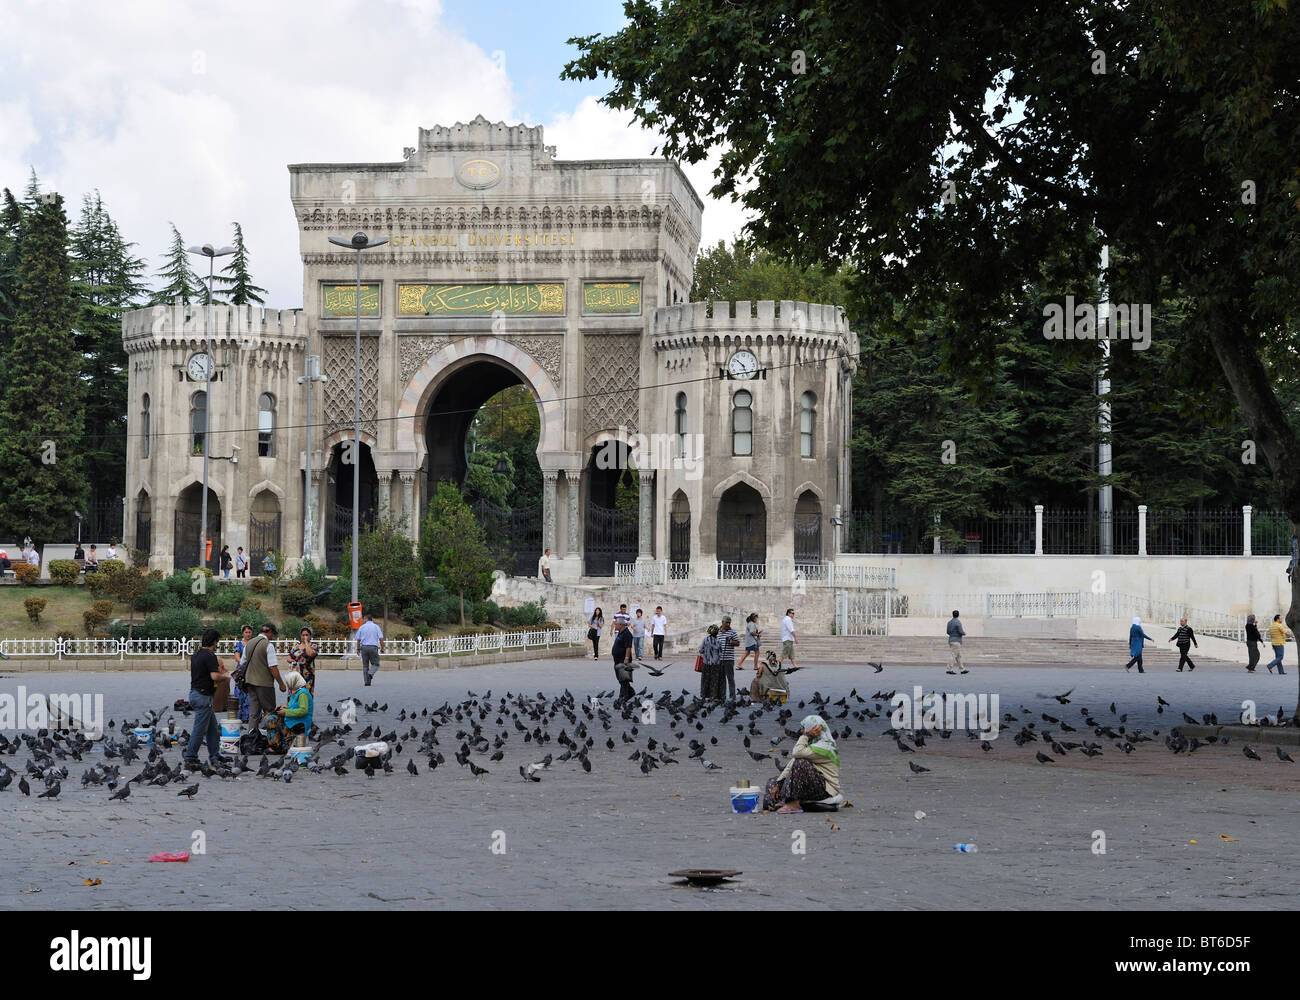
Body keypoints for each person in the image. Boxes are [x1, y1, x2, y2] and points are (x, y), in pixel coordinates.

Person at [763, 714, 841, 814]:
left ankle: (793, 804)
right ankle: (777, 803)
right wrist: (778, 784)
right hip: (809, 786)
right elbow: (792, 763)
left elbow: (797, 753)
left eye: (804, 728)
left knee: (801, 763)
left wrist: (807, 735)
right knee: (772, 782)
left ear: (814, 729)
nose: (801, 731)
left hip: (825, 790)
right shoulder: (811, 744)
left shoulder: (825, 747)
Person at [184, 627, 230, 768]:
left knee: (212, 729)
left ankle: (215, 755)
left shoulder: (196, 654)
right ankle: (190, 757)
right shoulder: (210, 656)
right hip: (203, 696)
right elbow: (214, 676)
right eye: (217, 642)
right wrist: (225, 677)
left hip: (196, 693)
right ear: (215, 641)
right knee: (199, 730)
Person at [243, 622, 284, 729]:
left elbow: (242, 662)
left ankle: (252, 738)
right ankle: (271, 738)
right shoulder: (268, 645)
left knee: (254, 713)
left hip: (250, 682)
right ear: (269, 632)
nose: (272, 637)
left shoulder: (249, 643)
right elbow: (272, 667)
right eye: (272, 634)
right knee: (269, 711)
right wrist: (281, 684)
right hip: (264, 684)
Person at [276, 669, 314, 741]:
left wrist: (286, 712)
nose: (287, 684)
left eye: (288, 682)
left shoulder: (303, 693)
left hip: (301, 722)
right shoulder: (295, 692)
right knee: (272, 718)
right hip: (296, 719)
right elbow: (293, 707)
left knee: (274, 721)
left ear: (294, 682)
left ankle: (278, 745)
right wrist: (284, 708)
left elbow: (303, 710)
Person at [611, 619, 636, 703]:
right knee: (620, 679)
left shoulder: (627, 634)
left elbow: (628, 647)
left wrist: (626, 658)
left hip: (623, 660)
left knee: (623, 679)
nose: (615, 626)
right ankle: (631, 692)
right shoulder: (620, 633)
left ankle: (623, 697)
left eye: (616, 624)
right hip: (617, 660)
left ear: (621, 625)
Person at [232, 624, 253, 722]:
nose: (248, 634)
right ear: (242, 633)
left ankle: (248, 716)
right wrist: (243, 664)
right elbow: (237, 657)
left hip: (252, 670)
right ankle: (239, 716)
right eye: (246, 632)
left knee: (250, 693)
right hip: (241, 671)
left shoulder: (253, 643)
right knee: (240, 692)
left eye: (249, 632)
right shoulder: (239, 644)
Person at [356, 612, 384, 686]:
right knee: (376, 664)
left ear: (366, 619)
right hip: (373, 647)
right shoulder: (376, 627)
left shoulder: (362, 627)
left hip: (364, 648)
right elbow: (381, 638)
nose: (363, 620)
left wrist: (358, 649)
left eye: (364, 619)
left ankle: (367, 682)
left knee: (365, 666)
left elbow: (358, 640)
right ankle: (370, 673)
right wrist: (382, 648)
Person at [698, 624, 725, 701]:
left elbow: (701, 650)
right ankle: (713, 696)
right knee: (714, 680)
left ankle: (703, 695)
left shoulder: (705, 640)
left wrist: (707, 653)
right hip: (716, 664)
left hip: (706, 663)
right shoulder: (719, 641)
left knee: (705, 680)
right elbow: (720, 653)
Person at [717, 615, 740, 701]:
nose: (728, 624)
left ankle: (732, 696)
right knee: (721, 679)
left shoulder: (732, 632)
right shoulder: (717, 632)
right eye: (727, 622)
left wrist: (730, 641)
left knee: (730, 678)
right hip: (719, 659)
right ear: (722, 622)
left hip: (729, 659)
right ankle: (722, 696)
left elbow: (738, 643)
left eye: (729, 622)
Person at [289, 626, 318, 693]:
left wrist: (306, 642)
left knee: (306, 695)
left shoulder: (313, 646)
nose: (305, 636)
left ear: (310, 636)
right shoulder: (296, 647)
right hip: (296, 676)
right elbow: (288, 657)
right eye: (303, 635)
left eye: (306, 635)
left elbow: (309, 653)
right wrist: (292, 661)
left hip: (308, 676)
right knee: (295, 696)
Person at [946, 610, 968, 675]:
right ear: (958, 615)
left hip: (951, 640)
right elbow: (961, 631)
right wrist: (964, 633)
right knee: (953, 655)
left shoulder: (949, 622)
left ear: (952, 614)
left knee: (958, 656)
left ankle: (962, 669)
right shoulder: (958, 622)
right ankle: (949, 669)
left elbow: (947, 632)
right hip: (957, 641)